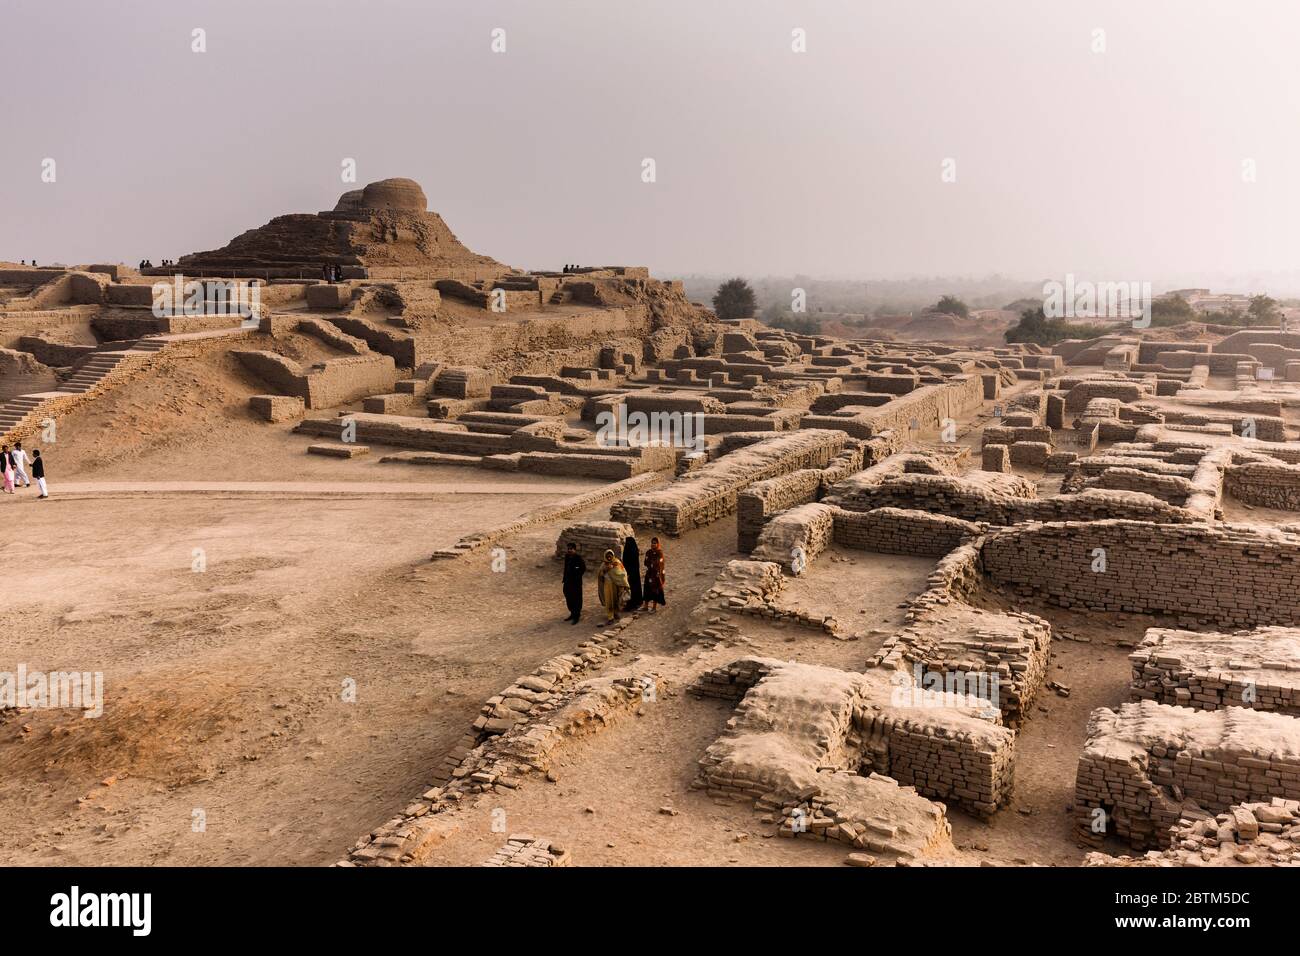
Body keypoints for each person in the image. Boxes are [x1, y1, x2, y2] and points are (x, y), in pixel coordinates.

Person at [596, 549, 629, 623]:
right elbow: (600, 576)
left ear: (613, 555)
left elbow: (623, 572)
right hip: (607, 586)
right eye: (607, 556)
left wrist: (623, 583)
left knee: (616, 600)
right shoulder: (603, 565)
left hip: (616, 585)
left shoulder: (617, 562)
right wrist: (605, 570)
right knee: (609, 601)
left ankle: (616, 613)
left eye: (610, 556)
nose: (609, 557)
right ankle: (610, 617)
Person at [562, 542, 586, 624]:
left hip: (576, 584)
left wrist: (577, 576)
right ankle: (572, 613)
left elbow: (583, 569)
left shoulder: (578, 558)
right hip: (568, 582)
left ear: (575, 550)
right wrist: (564, 579)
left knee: (577, 599)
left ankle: (576, 616)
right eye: (568, 549)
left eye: (571, 549)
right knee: (569, 598)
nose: (569, 550)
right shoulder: (567, 557)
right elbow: (565, 569)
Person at [643, 537, 667, 612]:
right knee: (646, 589)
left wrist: (652, 565)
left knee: (655, 590)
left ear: (657, 544)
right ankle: (645, 606)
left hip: (656, 575)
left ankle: (654, 607)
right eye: (652, 543)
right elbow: (645, 562)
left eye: (654, 543)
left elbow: (659, 563)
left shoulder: (659, 553)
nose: (653, 544)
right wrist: (651, 564)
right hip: (649, 574)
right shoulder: (648, 552)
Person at [622, 535, 642, 611]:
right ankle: (637, 601)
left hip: (629, 573)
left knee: (631, 589)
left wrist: (627, 573)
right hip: (635, 573)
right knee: (636, 588)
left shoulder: (628, 550)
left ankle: (632, 604)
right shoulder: (634, 551)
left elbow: (626, 562)